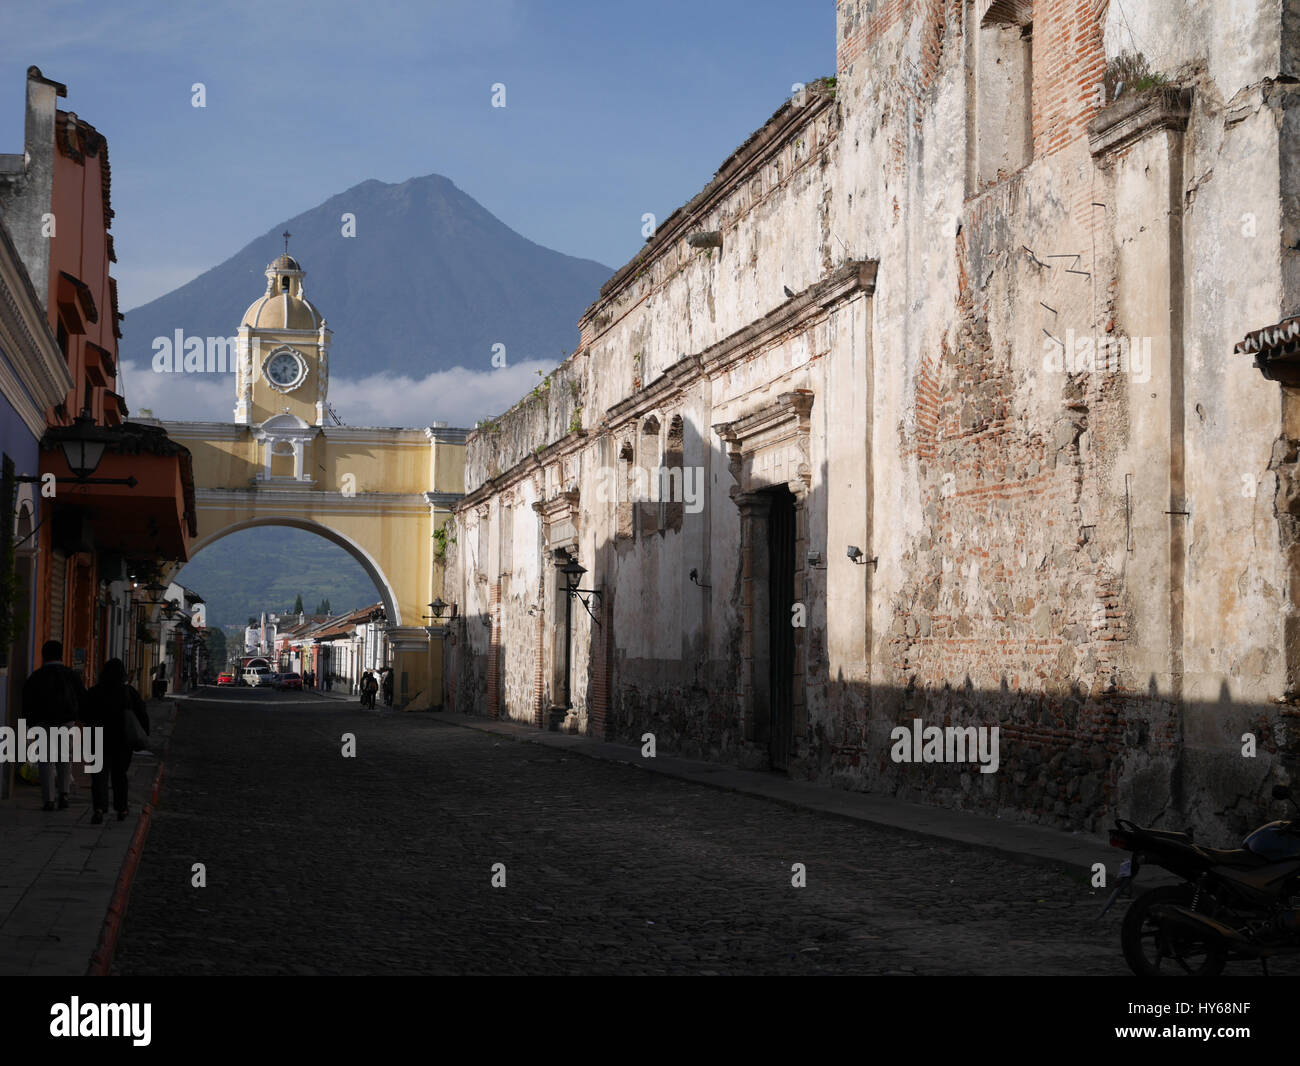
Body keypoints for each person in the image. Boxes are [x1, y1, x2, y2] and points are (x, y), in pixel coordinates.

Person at [20, 640, 85, 812]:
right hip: (67, 722)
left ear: (43, 655)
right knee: (65, 759)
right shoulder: (71, 675)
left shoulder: (36, 676)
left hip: (43, 723)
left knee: (45, 761)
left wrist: (29, 723)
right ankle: (64, 794)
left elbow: (27, 702)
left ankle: (48, 799)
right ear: (61, 655)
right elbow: (82, 697)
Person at [82, 658, 149, 824]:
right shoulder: (129, 692)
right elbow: (142, 714)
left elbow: (84, 714)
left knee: (99, 776)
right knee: (120, 776)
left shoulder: (95, 691)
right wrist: (144, 733)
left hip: (98, 739)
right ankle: (122, 808)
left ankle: (99, 808)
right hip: (122, 741)